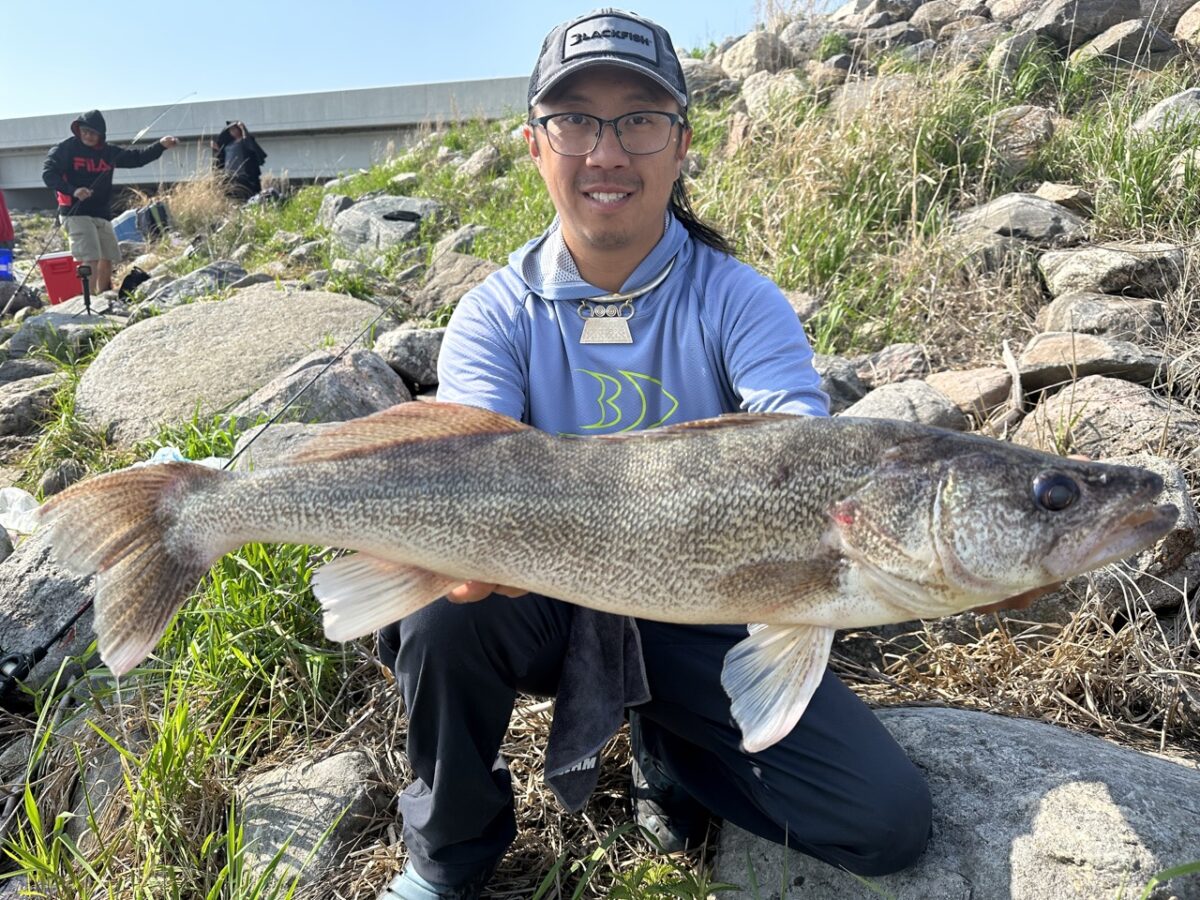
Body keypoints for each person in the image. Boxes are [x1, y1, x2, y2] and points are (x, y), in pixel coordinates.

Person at [375, 10, 1039, 899]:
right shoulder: (496, 314)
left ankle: (676, 751)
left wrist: (958, 564)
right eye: (575, 122)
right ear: (535, 145)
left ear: (682, 144)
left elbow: (802, 446)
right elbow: (472, 456)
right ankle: (448, 858)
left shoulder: (738, 299)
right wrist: (456, 553)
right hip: (545, 597)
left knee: (883, 824)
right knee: (441, 617)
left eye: (640, 120)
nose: (607, 152)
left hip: (709, 604)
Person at [42, 110, 178, 294]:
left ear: (101, 135)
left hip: (101, 213)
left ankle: (104, 295)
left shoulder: (109, 152)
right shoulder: (64, 149)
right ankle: (87, 300)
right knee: (90, 257)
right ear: (78, 130)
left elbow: (137, 158)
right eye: (85, 131)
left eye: (93, 133)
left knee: (108, 256)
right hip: (75, 213)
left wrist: (161, 145)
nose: (88, 136)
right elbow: (48, 175)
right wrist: (73, 190)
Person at [212, 120, 267, 201]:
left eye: (234, 129)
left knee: (245, 195)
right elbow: (222, 156)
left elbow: (249, 145)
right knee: (231, 196)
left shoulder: (245, 141)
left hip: (243, 174)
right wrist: (217, 149)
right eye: (230, 130)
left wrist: (243, 128)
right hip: (229, 175)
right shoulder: (229, 144)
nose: (232, 131)